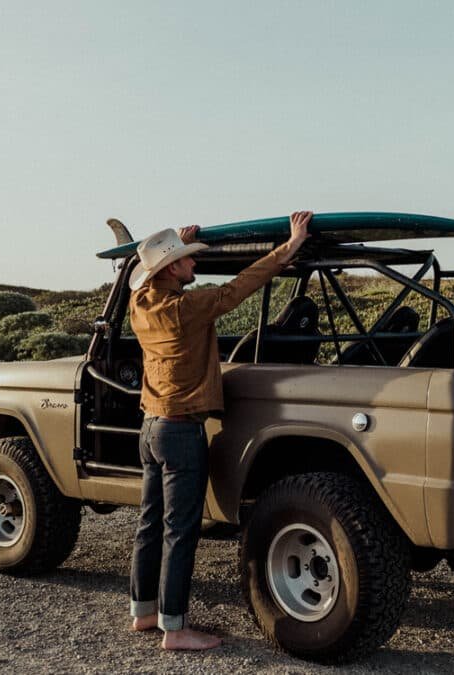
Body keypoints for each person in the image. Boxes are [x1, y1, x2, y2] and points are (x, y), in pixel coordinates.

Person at [127, 210, 312, 651]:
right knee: (180, 530)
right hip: (181, 431)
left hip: (151, 428)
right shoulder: (188, 308)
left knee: (150, 523)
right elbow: (241, 286)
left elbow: (169, 277)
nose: (195, 264)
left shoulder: (141, 306)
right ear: (172, 268)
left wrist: (179, 242)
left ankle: (144, 611)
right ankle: (176, 628)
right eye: (188, 260)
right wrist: (290, 247)